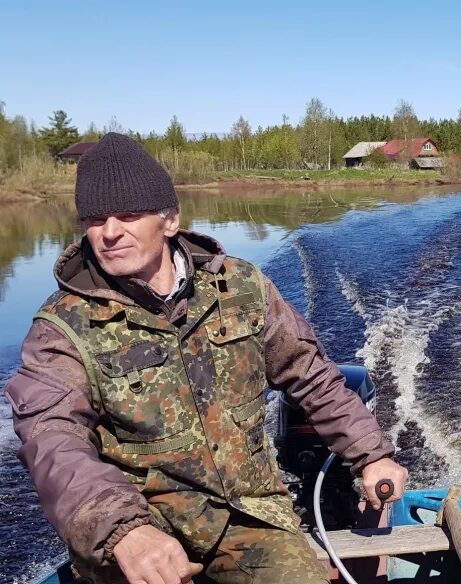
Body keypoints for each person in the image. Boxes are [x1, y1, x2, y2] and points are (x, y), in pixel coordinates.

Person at [3, 133, 408, 583]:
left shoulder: (243, 288)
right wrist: (124, 531)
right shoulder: (62, 327)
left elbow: (310, 377)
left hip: (248, 517)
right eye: (95, 219)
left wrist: (371, 455)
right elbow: (51, 437)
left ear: (170, 220)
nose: (110, 232)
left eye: (129, 215)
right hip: (141, 528)